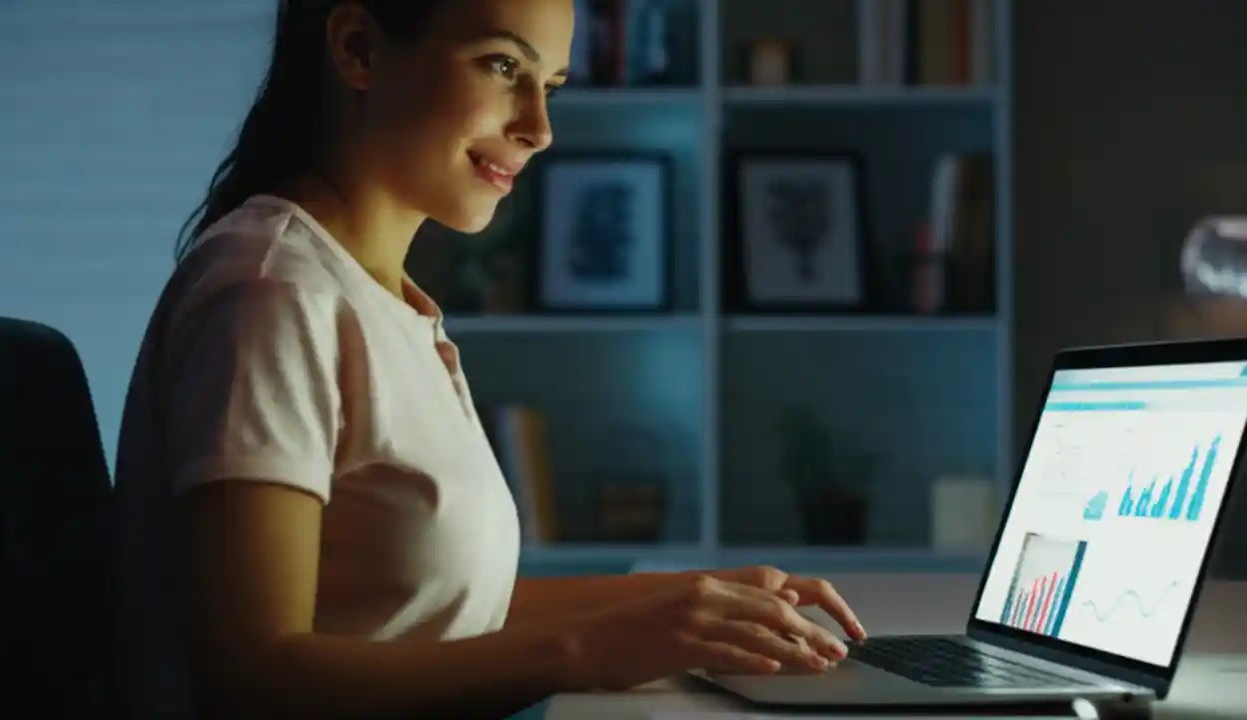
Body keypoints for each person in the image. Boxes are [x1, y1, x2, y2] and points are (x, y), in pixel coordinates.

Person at [110, 1, 868, 718]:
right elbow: (251, 681)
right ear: (358, 49)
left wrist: (692, 603)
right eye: (504, 67)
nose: (540, 128)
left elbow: (434, 612)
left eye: (553, 86)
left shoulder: (381, 301)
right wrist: (586, 648)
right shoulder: (273, 292)